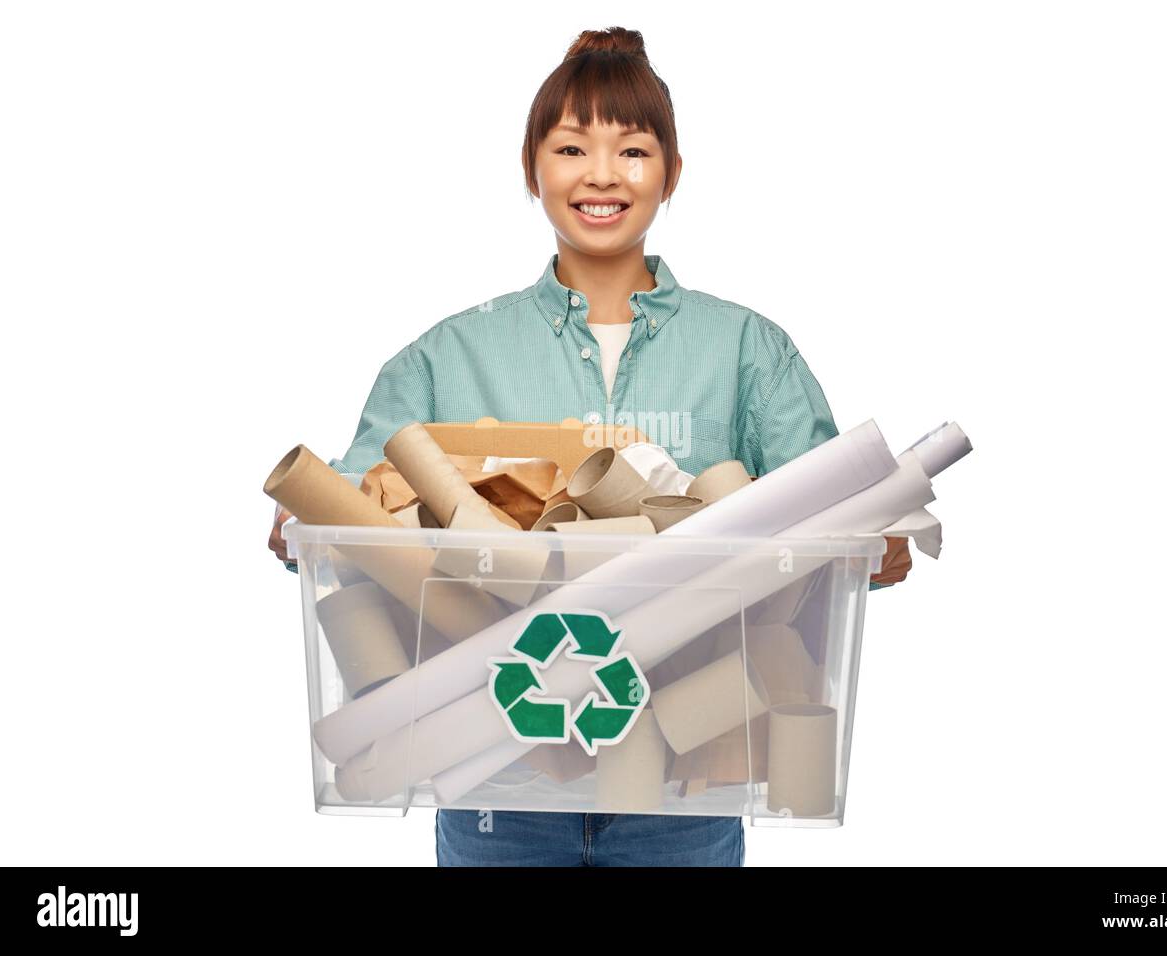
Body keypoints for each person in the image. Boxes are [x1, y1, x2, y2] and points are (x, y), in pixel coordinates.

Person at [268, 25, 910, 866]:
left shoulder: (748, 351)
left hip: (690, 777)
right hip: (494, 778)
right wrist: (306, 533)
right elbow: (359, 515)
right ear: (532, 167)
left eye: (633, 150)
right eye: (572, 147)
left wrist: (874, 544)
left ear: (671, 172)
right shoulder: (447, 358)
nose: (602, 175)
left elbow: (827, 512)